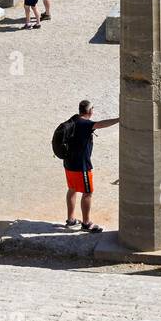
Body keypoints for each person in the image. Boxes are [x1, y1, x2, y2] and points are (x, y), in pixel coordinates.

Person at [61, 100, 118, 233]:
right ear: (89, 111)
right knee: (87, 193)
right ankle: (86, 223)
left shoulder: (73, 119)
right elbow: (102, 124)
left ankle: (70, 220)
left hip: (68, 163)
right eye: (92, 108)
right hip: (82, 166)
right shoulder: (85, 124)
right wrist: (119, 119)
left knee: (72, 189)